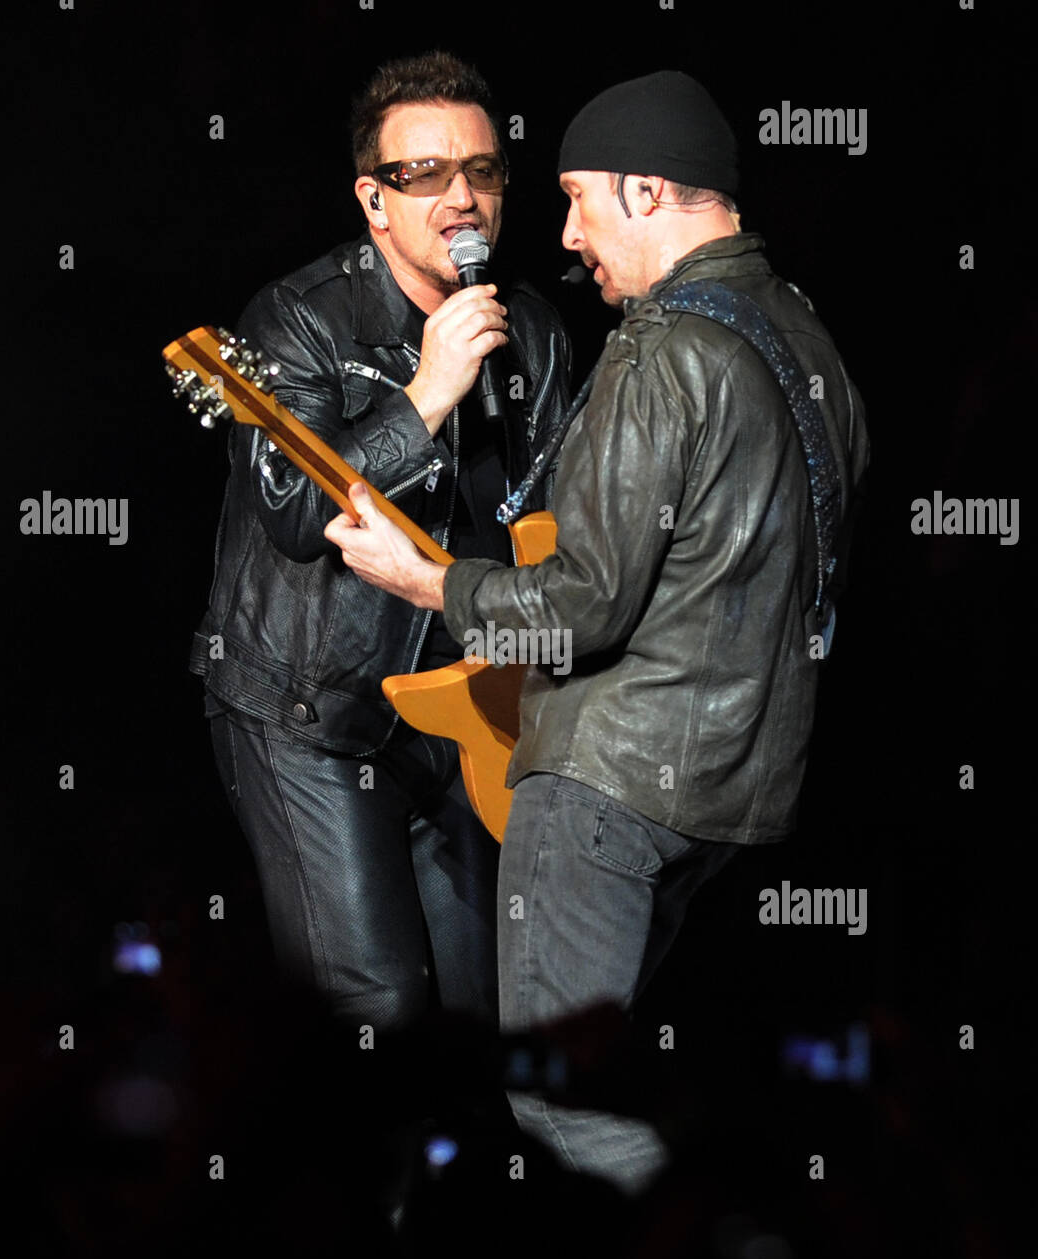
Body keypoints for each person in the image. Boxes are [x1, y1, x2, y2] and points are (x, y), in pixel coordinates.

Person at [325, 71, 870, 1191]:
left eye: (580, 202)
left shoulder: (663, 347)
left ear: (645, 190)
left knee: (554, 1097)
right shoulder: (807, 340)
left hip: (605, 788)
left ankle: (726, 1252)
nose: (567, 241)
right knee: (605, 1069)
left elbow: (579, 607)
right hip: (730, 796)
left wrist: (426, 578)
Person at [189, 52, 571, 1029]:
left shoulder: (531, 329)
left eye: (482, 172)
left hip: (459, 713)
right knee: (377, 1007)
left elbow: (555, 520)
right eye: (425, 175)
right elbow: (292, 514)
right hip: (311, 712)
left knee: (487, 1009)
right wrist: (424, 396)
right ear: (374, 200)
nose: (460, 198)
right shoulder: (299, 319)